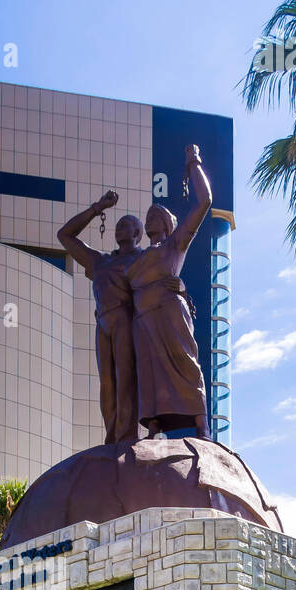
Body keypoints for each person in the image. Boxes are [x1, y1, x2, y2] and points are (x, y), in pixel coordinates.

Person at [129, 145, 213, 440]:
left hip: (170, 317)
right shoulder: (134, 260)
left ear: (167, 224)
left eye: (157, 214)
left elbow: (204, 201)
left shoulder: (174, 245)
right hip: (143, 322)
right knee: (149, 374)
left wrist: (193, 161)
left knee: (185, 364)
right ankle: (154, 427)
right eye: (148, 216)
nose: (150, 217)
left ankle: (202, 423)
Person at [57, 191, 143, 444]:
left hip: (126, 319)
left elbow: (167, 272)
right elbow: (65, 236)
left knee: (126, 377)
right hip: (103, 322)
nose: (119, 228)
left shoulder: (143, 258)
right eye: (118, 225)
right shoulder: (100, 261)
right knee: (107, 381)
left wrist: (179, 290)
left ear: (137, 233)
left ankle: (127, 435)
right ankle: (112, 435)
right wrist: (97, 208)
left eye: (125, 225)